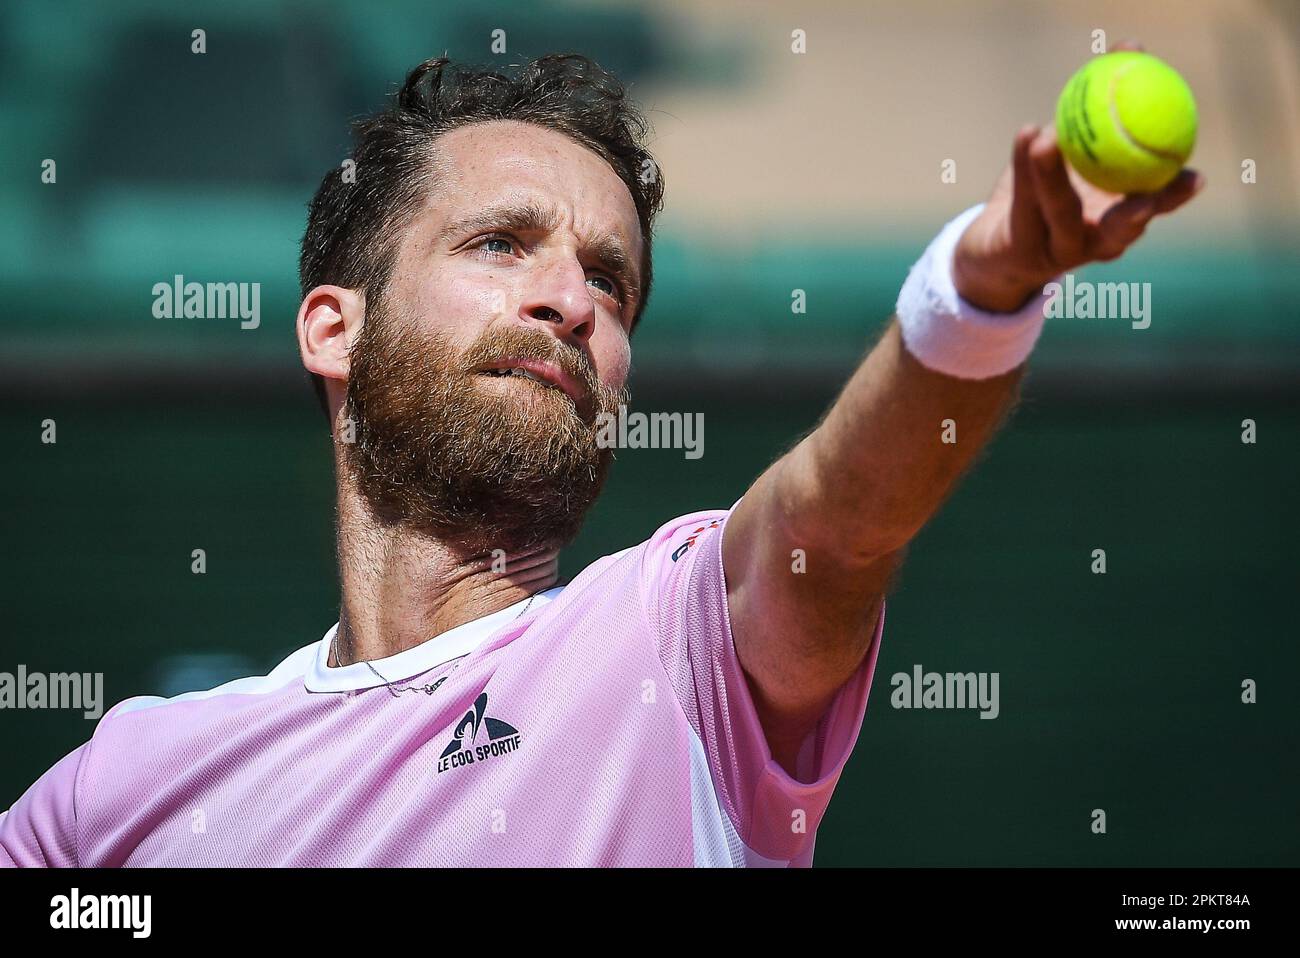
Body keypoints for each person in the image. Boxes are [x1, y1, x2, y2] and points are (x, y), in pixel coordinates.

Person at [1, 52, 1200, 867]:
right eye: (500, 243)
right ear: (335, 327)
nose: (570, 299)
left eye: (609, 280)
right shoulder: (122, 793)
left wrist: (981, 290)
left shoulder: (675, 644)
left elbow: (836, 524)